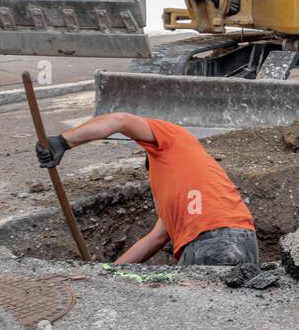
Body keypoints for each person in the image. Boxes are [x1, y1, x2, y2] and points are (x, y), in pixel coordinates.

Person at [36, 113, 258, 266]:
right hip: (245, 243)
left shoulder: (174, 139)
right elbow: (155, 239)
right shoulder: (187, 186)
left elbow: (120, 121)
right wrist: (110, 271)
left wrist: (64, 141)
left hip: (212, 242)